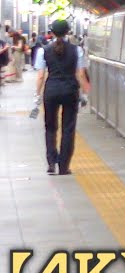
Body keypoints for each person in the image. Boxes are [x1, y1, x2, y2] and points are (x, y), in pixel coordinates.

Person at [34, 19, 91, 176]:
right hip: (70, 91)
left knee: (50, 127)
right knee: (68, 128)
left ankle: (51, 164)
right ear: (68, 32)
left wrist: (37, 95)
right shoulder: (76, 50)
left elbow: (40, 76)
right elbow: (80, 74)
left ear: (51, 32)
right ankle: (64, 166)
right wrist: (86, 93)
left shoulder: (43, 50)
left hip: (51, 91)